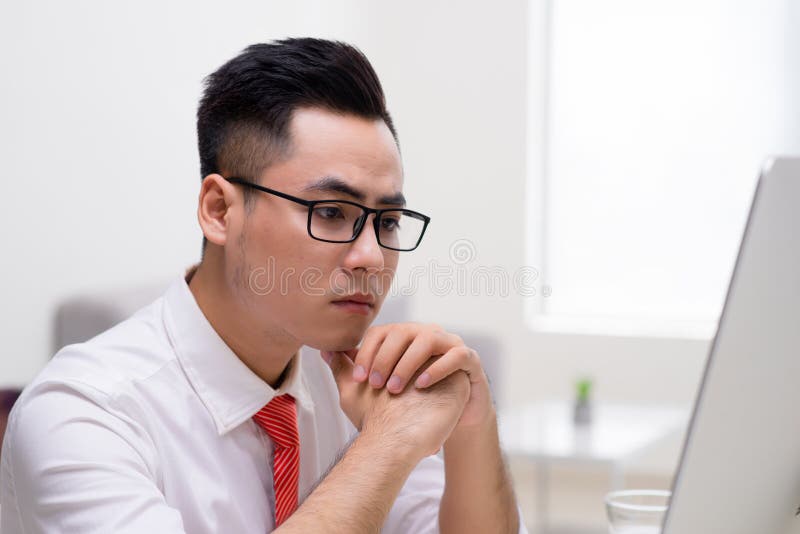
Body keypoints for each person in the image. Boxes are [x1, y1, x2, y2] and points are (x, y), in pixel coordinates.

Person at [0, 38, 526, 533]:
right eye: (331, 212)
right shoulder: (82, 411)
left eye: (387, 222)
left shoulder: (354, 382)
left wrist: (472, 424)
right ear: (219, 210)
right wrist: (386, 445)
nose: (371, 257)